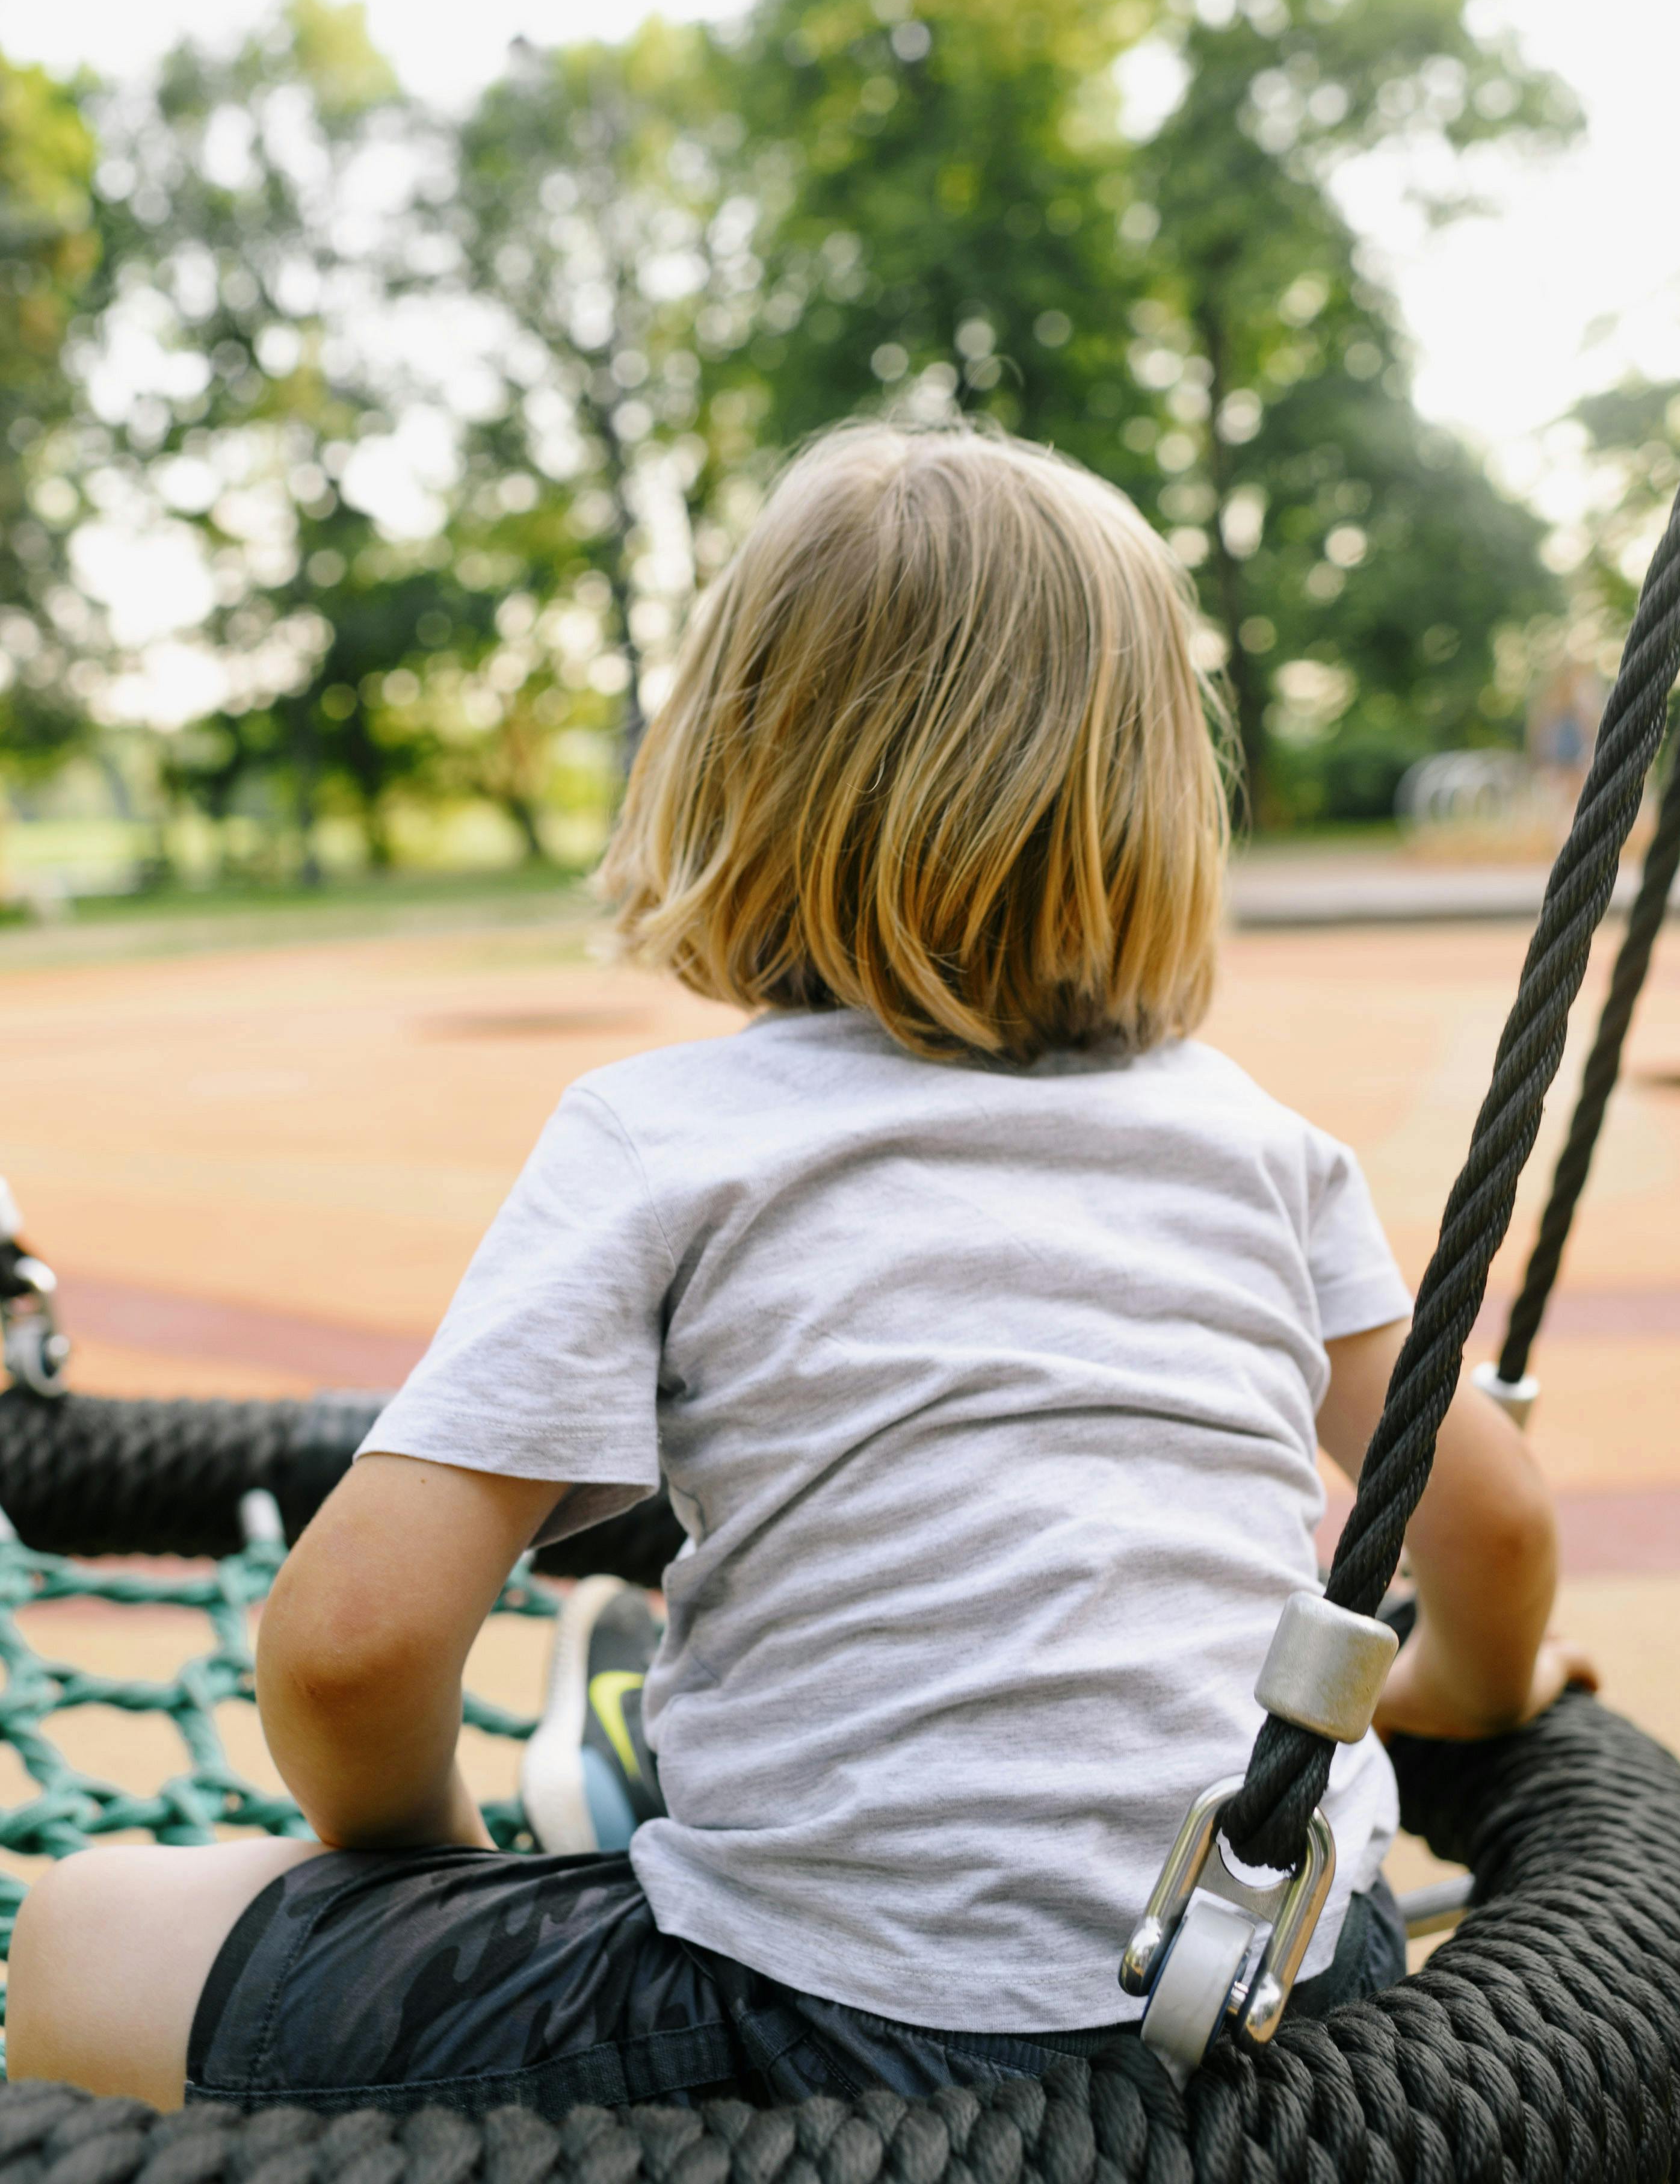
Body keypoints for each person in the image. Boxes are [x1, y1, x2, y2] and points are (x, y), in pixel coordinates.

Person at [7, 420, 1587, 2116]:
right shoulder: (1265, 1146)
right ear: (1165, 798)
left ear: (731, 774)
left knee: (85, 1938)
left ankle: (635, 1800)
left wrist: (440, 1883)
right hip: (1279, 1987)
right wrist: (1451, 1693)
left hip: (814, 2020)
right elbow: (1485, 1523)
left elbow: (347, 1647)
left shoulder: (665, 1137)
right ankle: (657, 1773)